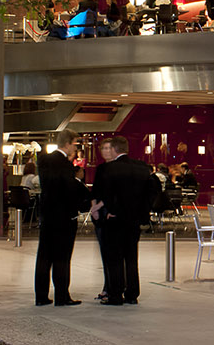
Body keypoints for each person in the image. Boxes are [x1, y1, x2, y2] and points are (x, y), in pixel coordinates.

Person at [89, 136, 156, 306]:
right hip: (134, 220)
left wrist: (112, 211)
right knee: (131, 258)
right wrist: (143, 212)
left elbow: (107, 194)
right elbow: (152, 190)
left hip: (115, 220)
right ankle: (132, 294)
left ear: (114, 149)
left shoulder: (110, 169)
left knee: (115, 258)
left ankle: (115, 295)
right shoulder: (142, 167)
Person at [34, 131, 89, 306]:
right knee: (62, 257)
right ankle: (62, 295)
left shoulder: (44, 160)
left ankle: (41, 296)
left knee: (44, 256)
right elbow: (68, 190)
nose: (76, 148)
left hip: (47, 214)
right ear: (67, 143)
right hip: (64, 216)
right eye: (75, 144)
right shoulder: (65, 165)